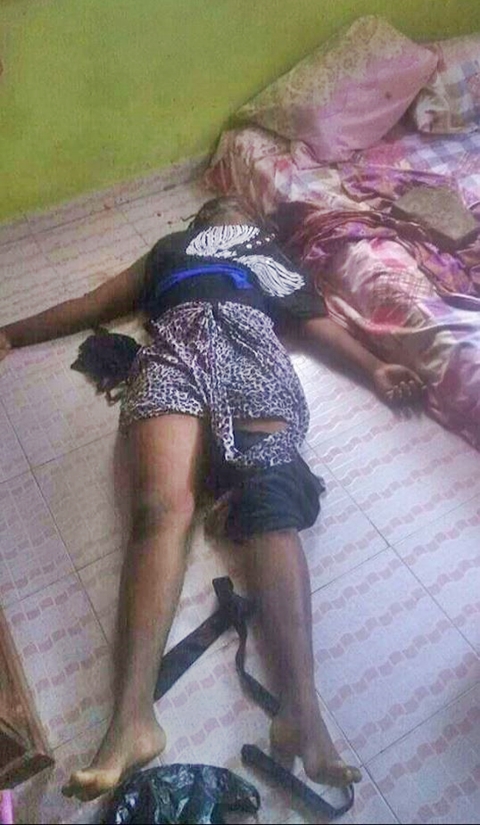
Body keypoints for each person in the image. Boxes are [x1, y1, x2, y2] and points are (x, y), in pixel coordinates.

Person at [0, 197, 424, 802]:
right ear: (196, 222)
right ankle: (131, 721)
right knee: (159, 511)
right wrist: (11, 332)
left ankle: (301, 711)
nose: (226, 206)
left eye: (238, 206)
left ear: (254, 223)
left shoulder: (267, 253)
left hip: (253, 348)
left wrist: (376, 369)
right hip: (172, 352)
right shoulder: (169, 250)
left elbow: (311, 322)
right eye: (214, 206)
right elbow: (93, 303)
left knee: (271, 506)